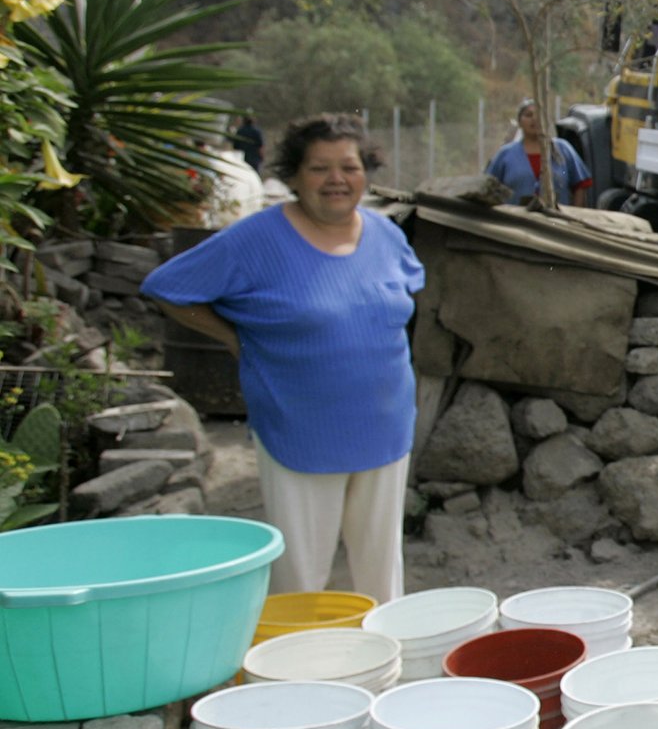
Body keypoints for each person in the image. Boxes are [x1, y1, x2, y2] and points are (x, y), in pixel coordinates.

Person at [143, 114, 424, 603]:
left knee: (381, 572)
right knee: (300, 575)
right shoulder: (255, 240)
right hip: (301, 428)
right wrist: (234, 338)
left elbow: (398, 298)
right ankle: (296, 670)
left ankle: (383, 665)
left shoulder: (386, 235)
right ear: (293, 177)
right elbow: (168, 288)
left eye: (349, 167)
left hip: (385, 427)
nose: (337, 180)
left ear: (366, 172)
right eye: (319, 168)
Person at [484, 99, 591, 206]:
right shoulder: (505, 154)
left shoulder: (562, 149)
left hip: (556, 221)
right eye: (528, 115)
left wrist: (574, 214)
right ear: (520, 122)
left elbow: (580, 185)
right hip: (515, 220)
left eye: (539, 115)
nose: (534, 119)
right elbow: (487, 186)